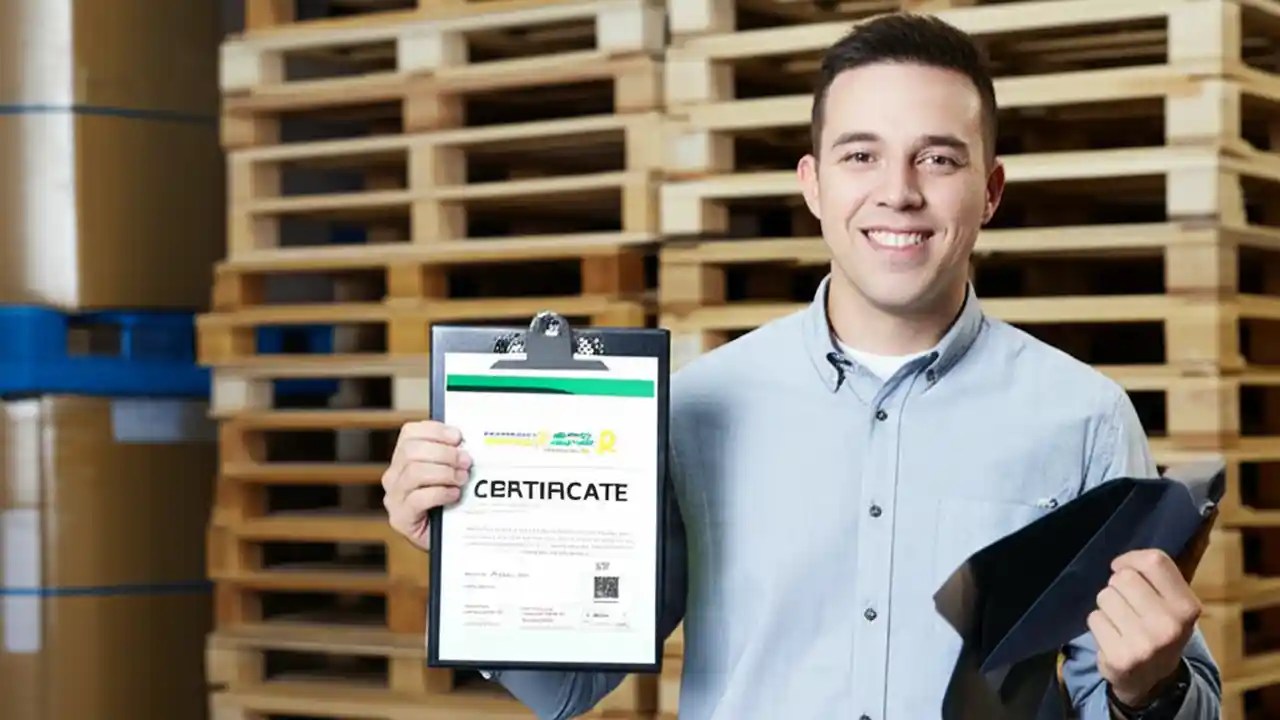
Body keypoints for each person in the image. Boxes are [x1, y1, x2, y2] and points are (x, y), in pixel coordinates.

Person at [381, 12, 1223, 720]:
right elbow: (568, 687)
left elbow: (1158, 697)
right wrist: (470, 550)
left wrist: (1149, 688)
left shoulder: (1083, 418)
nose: (899, 190)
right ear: (814, 185)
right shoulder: (691, 411)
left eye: (938, 157)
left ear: (991, 191)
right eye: (861, 156)